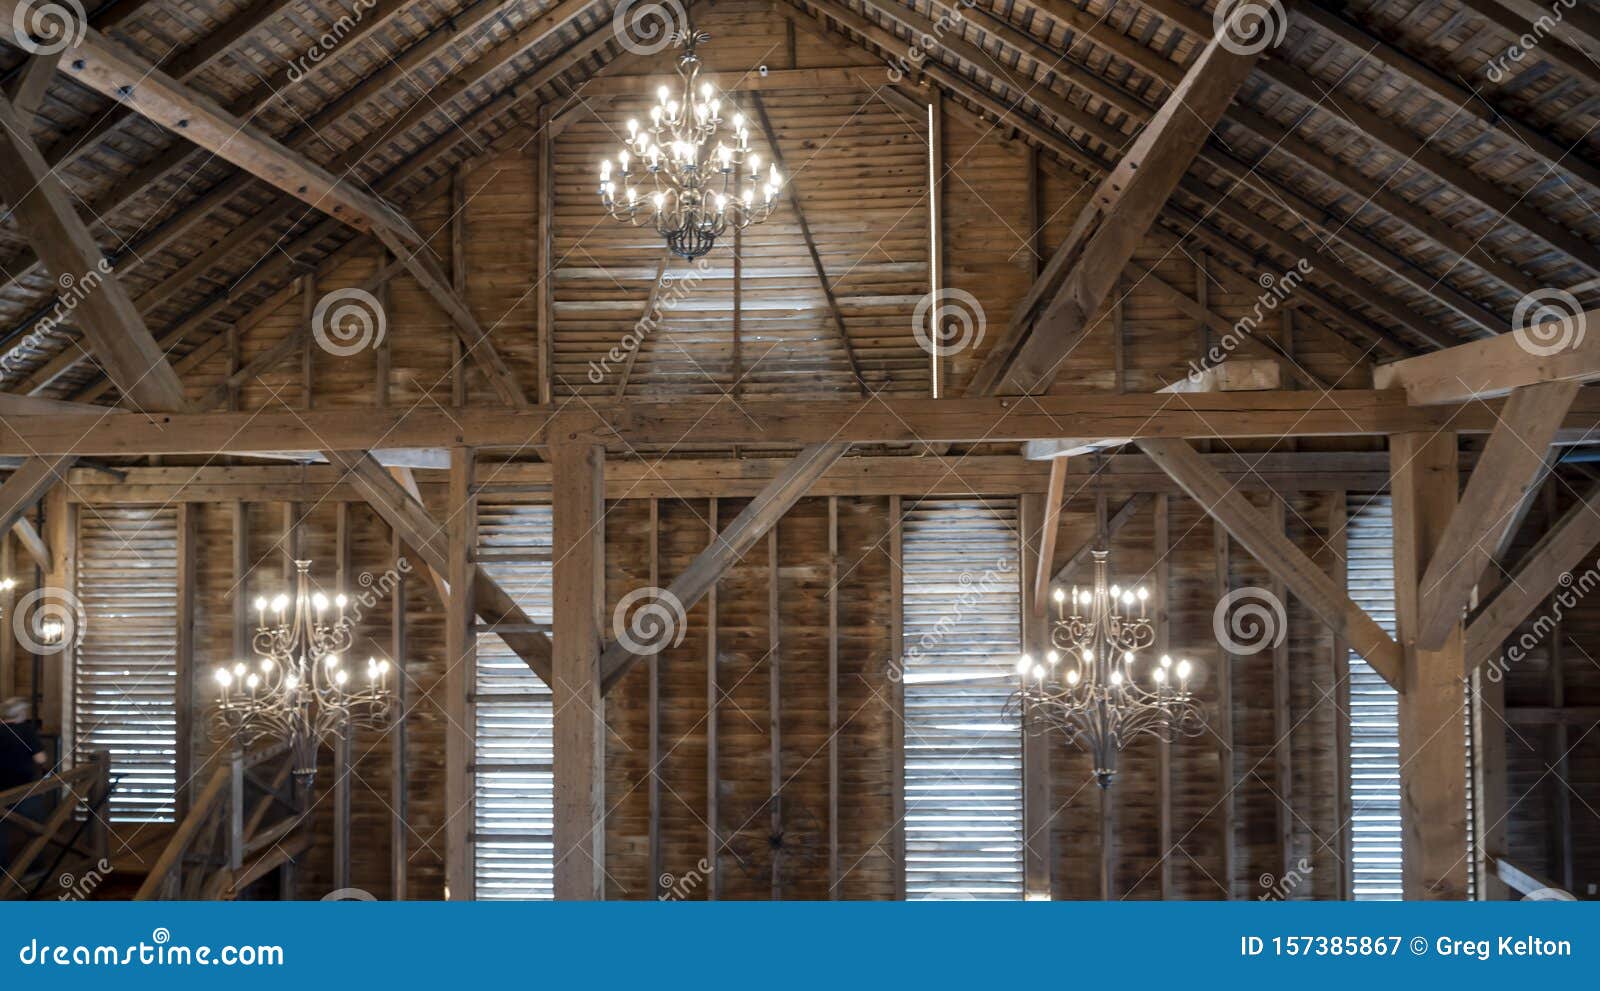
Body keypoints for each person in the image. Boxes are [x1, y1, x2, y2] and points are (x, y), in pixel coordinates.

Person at [0, 697, 47, 871]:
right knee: (35, 827)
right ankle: (34, 867)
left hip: (1, 788)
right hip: (24, 787)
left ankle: (2, 871)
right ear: (20, 713)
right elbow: (41, 758)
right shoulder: (26, 730)